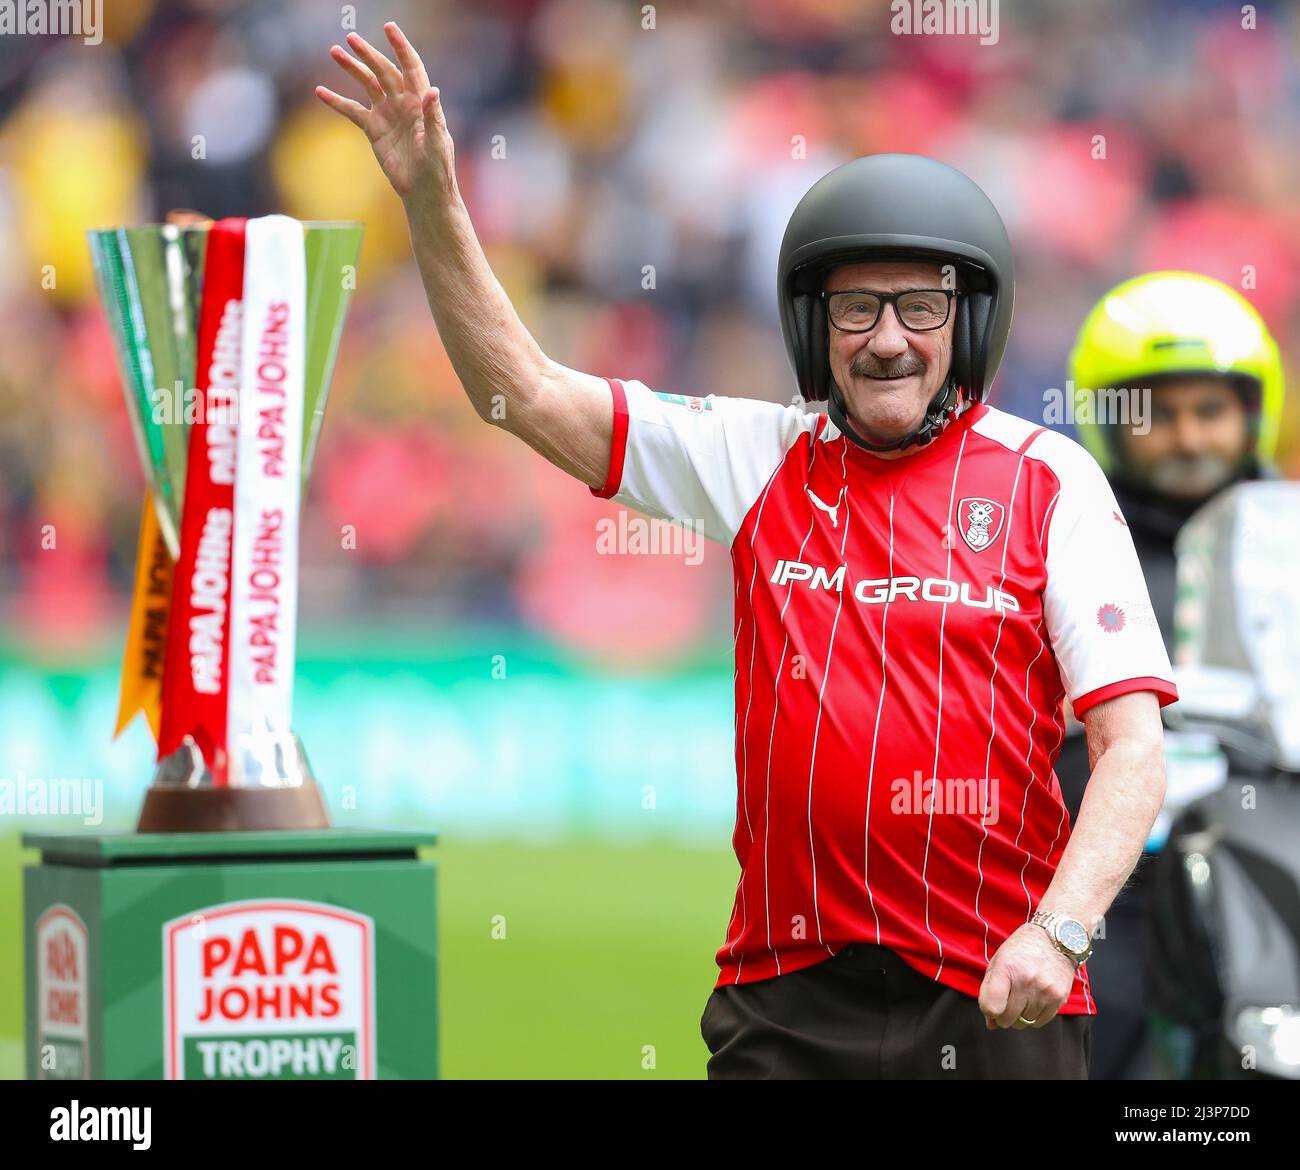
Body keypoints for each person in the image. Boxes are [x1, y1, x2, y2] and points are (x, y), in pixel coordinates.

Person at [317, 23, 1177, 1079]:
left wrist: (1063, 930)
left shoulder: (1051, 482)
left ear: (970, 321)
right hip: (786, 997)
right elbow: (525, 394)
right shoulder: (758, 455)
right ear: (814, 326)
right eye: (855, 306)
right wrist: (431, 200)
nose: (888, 337)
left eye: (918, 304)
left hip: (999, 995)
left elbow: (1130, 748)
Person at [1055, 271, 1285, 1079]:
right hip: (1109, 892)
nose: (1189, 437)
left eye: (1211, 410)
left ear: (1255, 412)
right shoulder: (1064, 542)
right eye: (1157, 414)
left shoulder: (1289, 548)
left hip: (1269, 868)